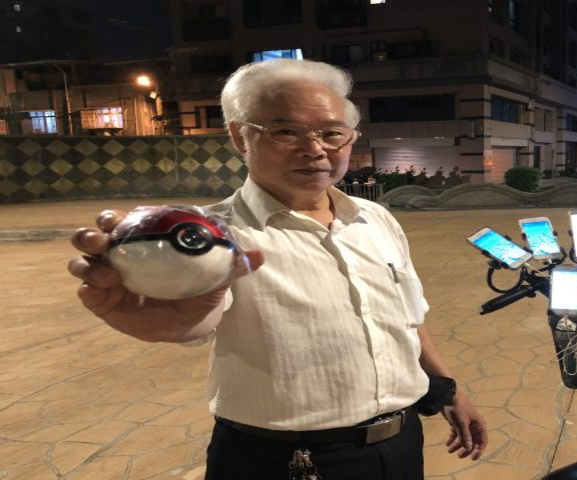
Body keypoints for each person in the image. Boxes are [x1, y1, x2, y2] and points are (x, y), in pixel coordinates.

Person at [67, 59, 487, 479]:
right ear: (240, 136)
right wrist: (178, 319)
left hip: (400, 445)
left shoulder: (375, 218)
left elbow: (408, 318)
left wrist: (448, 389)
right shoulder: (214, 238)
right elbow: (195, 319)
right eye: (286, 132)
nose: (315, 149)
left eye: (332, 133)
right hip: (284, 461)